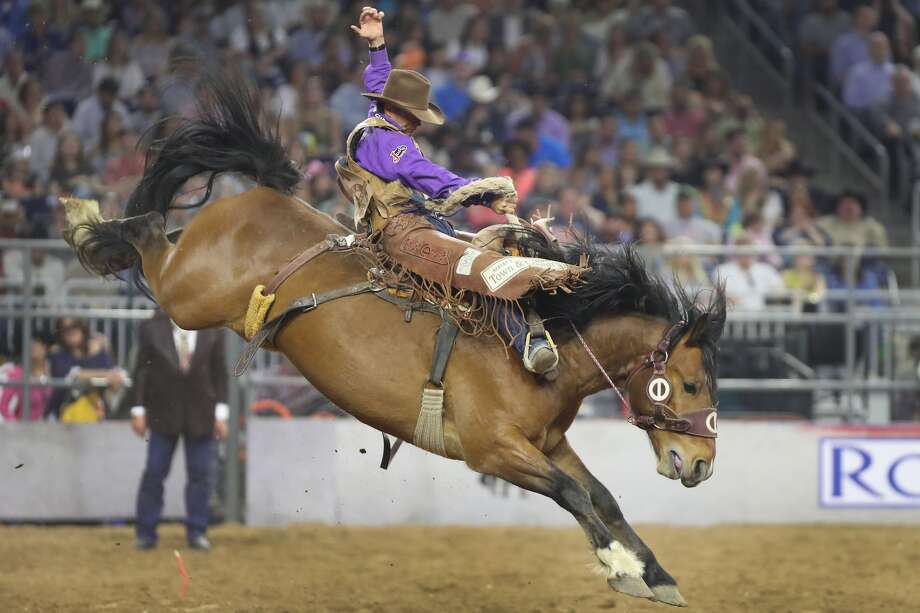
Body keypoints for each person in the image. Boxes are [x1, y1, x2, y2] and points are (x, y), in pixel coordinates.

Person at [336, 7, 583, 378]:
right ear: (397, 109)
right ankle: (529, 345)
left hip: (411, 223)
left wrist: (377, 45)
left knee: (492, 252)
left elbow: (380, 79)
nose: (417, 122)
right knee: (479, 269)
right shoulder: (390, 143)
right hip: (403, 232)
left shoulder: (377, 120)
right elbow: (426, 175)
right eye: (413, 114)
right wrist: (484, 191)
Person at [129, 312, 229, 552]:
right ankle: (146, 533)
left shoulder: (212, 330)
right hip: (162, 413)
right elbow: (141, 371)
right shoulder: (151, 328)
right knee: (154, 473)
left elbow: (219, 372)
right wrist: (138, 410)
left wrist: (221, 414)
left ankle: (197, 531)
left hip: (201, 413)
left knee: (200, 476)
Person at [713, 235, 786, 310]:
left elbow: (780, 291)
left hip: (766, 313)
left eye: (749, 250)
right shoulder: (723, 270)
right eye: (742, 251)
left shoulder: (767, 269)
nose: (746, 254)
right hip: (736, 313)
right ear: (736, 252)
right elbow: (726, 296)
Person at [0, 332, 53, 421]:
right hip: (26, 427)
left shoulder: (54, 370)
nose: (34, 347)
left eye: (38, 344)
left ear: (46, 348)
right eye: (30, 344)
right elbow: (3, 405)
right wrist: (15, 425)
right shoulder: (18, 373)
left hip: (54, 426)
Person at [816, 190, 889, 248]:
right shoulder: (823, 223)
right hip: (830, 260)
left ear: (861, 207)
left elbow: (882, 250)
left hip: (863, 260)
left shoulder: (872, 226)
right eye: (844, 203)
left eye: (853, 203)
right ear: (837, 207)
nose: (849, 206)